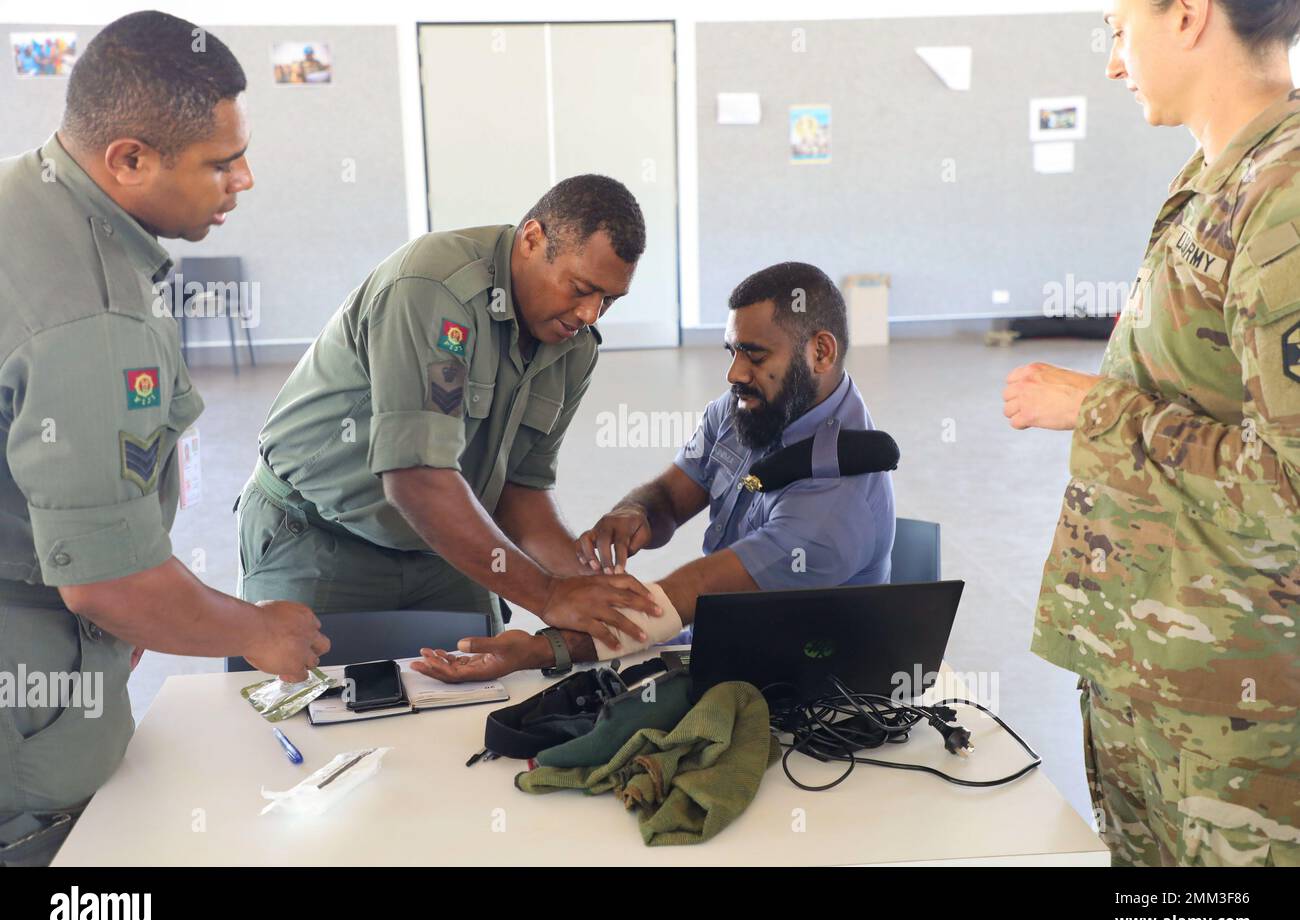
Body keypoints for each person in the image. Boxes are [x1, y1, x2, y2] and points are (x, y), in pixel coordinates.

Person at [0, 12, 329, 867]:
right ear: (129, 159)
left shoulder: (24, 199)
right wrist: (254, 630)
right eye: (221, 163)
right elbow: (108, 583)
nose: (244, 180)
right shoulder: (88, 315)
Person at [1004, 0, 1300, 866]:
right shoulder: (1218, 174)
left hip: (1238, 720)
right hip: (1159, 678)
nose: (1112, 62)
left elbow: (1289, 487)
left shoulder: (1284, 200)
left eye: (1117, 29)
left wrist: (1090, 408)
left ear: (1187, 15)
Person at [414, 261, 896, 682]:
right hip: (721, 642)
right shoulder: (745, 410)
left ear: (821, 352)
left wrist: (538, 650)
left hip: (802, 689)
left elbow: (685, 600)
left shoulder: (833, 501)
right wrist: (636, 512)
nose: (734, 374)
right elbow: (670, 495)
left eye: (755, 354)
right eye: (731, 351)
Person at [238, 175, 664, 648]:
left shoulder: (573, 347)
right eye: (581, 288)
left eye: (609, 299)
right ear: (531, 239)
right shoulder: (434, 288)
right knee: (307, 712)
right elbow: (416, 478)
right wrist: (548, 594)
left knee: (477, 702)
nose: (590, 314)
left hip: (448, 544)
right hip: (319, 537)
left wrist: (588, 586)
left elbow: (520, 489)